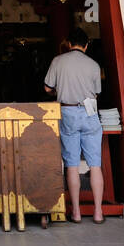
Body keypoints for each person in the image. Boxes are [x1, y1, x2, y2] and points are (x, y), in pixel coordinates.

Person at [43, 26, 105, 223]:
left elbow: (47, 88)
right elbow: (96, 93)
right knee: (95, 164)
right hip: (89, 112)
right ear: (86, 45)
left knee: (71, 164)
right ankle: (98, 212)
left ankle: (76, 213)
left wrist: (59, 91)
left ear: (69, 44)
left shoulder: (58, 61)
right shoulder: (94, 65)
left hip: (67, 111)